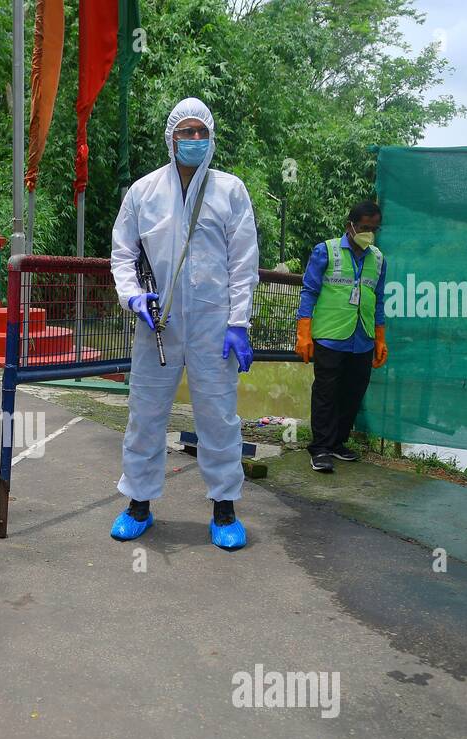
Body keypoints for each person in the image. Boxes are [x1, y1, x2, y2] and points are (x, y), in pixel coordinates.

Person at [110, 96, 259, 551]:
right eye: (185, 132)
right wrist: (133, 296)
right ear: (170, 137)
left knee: (218, 417)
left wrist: (239, 322)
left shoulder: (230, 191)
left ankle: (224, 507)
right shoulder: (143, 192)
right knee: (146, 413)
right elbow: (122, 254)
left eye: (201, 132)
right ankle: (138, 502)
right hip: (159, 322)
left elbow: (244, 262)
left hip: (215, 324)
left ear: (211, 138)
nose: (193, 140)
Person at [295, 200, 388, 473]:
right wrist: (303, 332)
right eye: (363, 227)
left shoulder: (379, 259)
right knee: (326, 392)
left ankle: (338, 442)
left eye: (374, 229)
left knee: (353, 392)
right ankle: (321, 447)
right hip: (330, 335)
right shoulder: (326, 251)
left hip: (363, 337)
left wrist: (380, 338)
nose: (368, 233)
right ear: (350, 226)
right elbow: (309, 291)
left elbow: (378, 299)